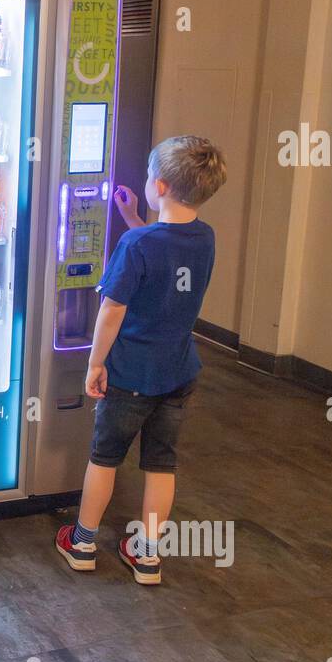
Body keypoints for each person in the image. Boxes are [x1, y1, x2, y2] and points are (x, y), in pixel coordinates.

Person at [54, 136, 227, 583]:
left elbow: (112, 310)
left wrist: (95, 364)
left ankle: (83, 542)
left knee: (104, 458)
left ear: (162, 187)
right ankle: (148, 554)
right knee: (160, 464)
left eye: (151, 176)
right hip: (178, 372)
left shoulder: (136, 247)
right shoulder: (204, 238)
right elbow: (165, 255)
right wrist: (132, 216)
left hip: (130, 374)